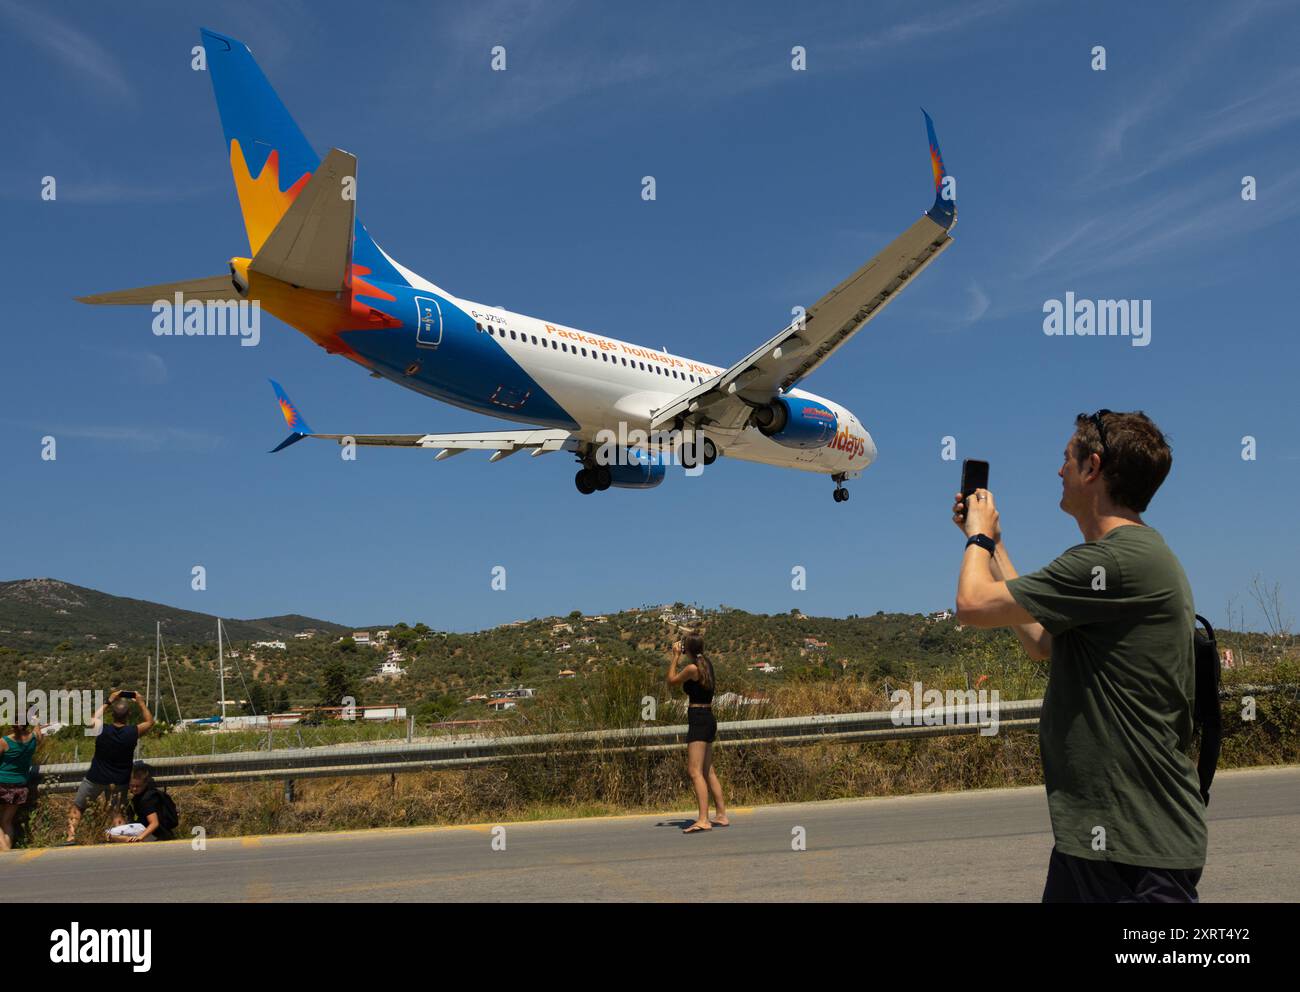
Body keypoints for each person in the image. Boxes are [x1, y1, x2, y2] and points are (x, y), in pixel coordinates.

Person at [951, 409, 1206, 902]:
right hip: (1096, 839)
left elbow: (971, 605)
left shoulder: (1111, 562)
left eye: (1065, 459)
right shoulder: (1125, 560)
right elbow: (1041, 642)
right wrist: (996, 546)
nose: (1058, 470)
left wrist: (978, 538)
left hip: (1135, 852)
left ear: (1092, 467)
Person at [65, 690, 154, 845]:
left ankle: (71, 837)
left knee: (78, 807)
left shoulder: (102, 729)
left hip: (95, 777)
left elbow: (90, 719)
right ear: (128, 715)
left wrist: (109, 700)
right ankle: (122, 838)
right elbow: (150, 722)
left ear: (112, 715)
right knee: (117, 813)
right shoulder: (133, 732)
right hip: (119, 781)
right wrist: (140, 701)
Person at [667, 632, 729, 833]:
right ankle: (721, 814)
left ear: (687, 649)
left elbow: (671, 681)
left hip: (698, 720)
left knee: (694, 771)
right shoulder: (706, 663)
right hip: (709, 717)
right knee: (707, 770)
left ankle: (703, 819)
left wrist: (675, 656)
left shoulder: (692, 668)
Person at [0, 718, 42, 851]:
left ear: (12, 724)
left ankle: (5, 851)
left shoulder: (4, 742)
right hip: (20, 785)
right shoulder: (33, 740)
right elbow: (38, 733)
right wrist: (36, 722)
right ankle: (7, 850)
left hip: (2, 783)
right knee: (7, 821)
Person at [106, 763, 176, 843]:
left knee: (108, 833)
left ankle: (128, 839)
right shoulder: (140, 796)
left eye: (138, 786)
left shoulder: (147, 799)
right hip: (155, 832)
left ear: (145, 784)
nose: (134, 789)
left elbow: (154, 823)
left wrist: (140, 837)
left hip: (153, 833)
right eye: (132, 786)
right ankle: (128, 839)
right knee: (110, 834)